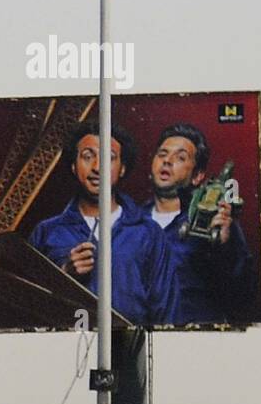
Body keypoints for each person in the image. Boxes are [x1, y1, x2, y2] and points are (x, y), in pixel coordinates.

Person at [29, 121, 175, 326]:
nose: (97, 167)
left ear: (122, 168)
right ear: (73, 165)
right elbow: (29, 305)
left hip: (129, 349)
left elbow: (165, 312)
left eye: (109, 158)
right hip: (64, 349)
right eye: (88, 157)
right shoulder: (47, 232)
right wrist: (64, 274)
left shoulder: (148, 232)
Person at [144, 123, 254, 325]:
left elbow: (244, 292)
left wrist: (225, 246)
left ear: (198, 176)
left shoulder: (215, 222)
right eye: (162, 154)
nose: (167, 161)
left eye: (180, 157)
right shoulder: (130, 221)